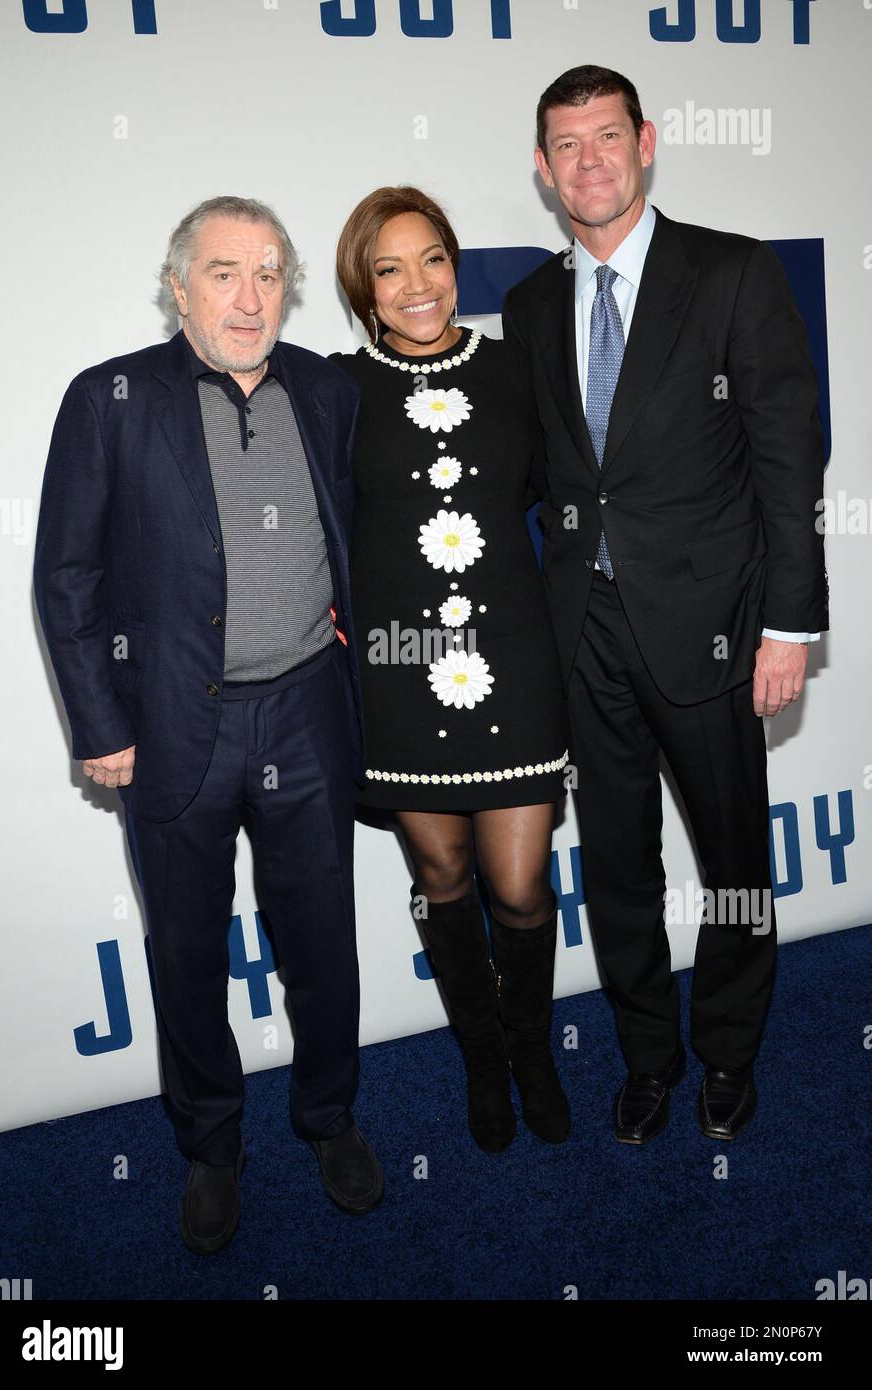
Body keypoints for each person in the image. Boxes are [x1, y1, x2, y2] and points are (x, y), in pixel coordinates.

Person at [33, 195, 383, 1254]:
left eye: (270, 272)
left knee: (322, 939)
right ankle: (211, 1147)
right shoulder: (111, 399)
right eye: (225, 272)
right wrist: (101, 722)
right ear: (178, 286)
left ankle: (328, 1117)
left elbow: (361, 531)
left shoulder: (324, 387)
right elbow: (67, 576)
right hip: (171, 728)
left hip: (309, 713)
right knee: (185, 950)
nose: (250, 296)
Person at [504, 66, 829, 1144]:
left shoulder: (732, 274)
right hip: (584, 636)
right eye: (566, 144)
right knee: (618, 864)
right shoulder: (531, 303)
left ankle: (728, 1052)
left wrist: (791, 624)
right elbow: (543, 477)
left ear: (646, 143)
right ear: (544, 168)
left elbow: (789, 458)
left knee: (734, 864)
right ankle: (649, 1054)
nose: (588, 160)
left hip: (720, 630)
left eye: (607, 137)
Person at [331, 186, 572, 1153]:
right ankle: (482, 1057)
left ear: (455, 265)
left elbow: (576, 501)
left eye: (432, 258)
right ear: (364, 289)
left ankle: (532, 1050)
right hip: (398, 671)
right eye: (390, 268)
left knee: (519, 885)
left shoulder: (518, 371)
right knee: (442, 874)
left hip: (512, 660)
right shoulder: (334, 392)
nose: (418, 284)